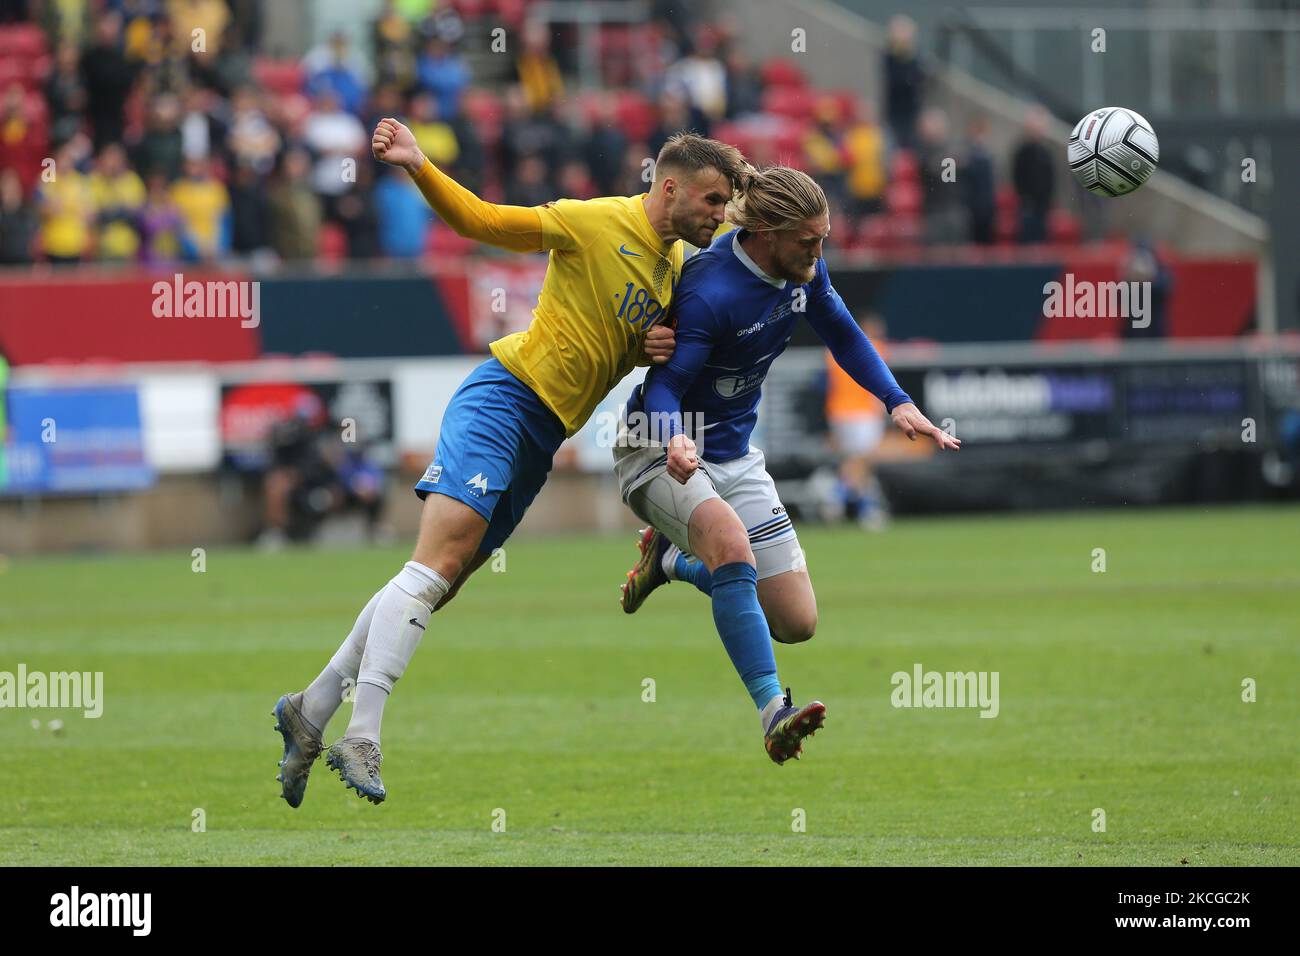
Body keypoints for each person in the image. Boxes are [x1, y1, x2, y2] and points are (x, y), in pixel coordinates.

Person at [272, 120, 746, 807]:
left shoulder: (674, 268)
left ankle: (309, 710)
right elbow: (487, 221)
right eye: (711, 199)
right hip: (504, 398)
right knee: (433, 568)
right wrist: (418, 163)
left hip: (542, 435)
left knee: (441, 580)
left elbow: (614, 330)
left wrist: (641, 347)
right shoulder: (591, 221)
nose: (719, 214)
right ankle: (362, 733)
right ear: (670, 186)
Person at [613, 166, 959, 764]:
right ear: (767, 233)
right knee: (730, 547)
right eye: (808, 241)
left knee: (797, 622)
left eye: (823, 239)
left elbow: (844, 334)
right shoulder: (710, 290)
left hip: (733, 454)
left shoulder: (804, 267)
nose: (819, 252)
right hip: (658, 446)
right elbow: (665, 387)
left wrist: (897, 402)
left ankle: (668, 560)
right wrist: (672, 440)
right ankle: (775, 713)